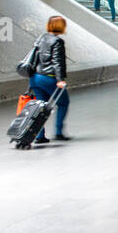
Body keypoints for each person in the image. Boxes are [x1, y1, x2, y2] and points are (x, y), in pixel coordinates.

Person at [29, 15, 70, 144]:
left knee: (41, 107)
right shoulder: (57, 41)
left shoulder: (41, 38)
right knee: (63, 103)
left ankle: (39, 135)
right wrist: (60, 79)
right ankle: (58, 132)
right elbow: (57, 62)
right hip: (49, 78)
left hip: (35, 77)